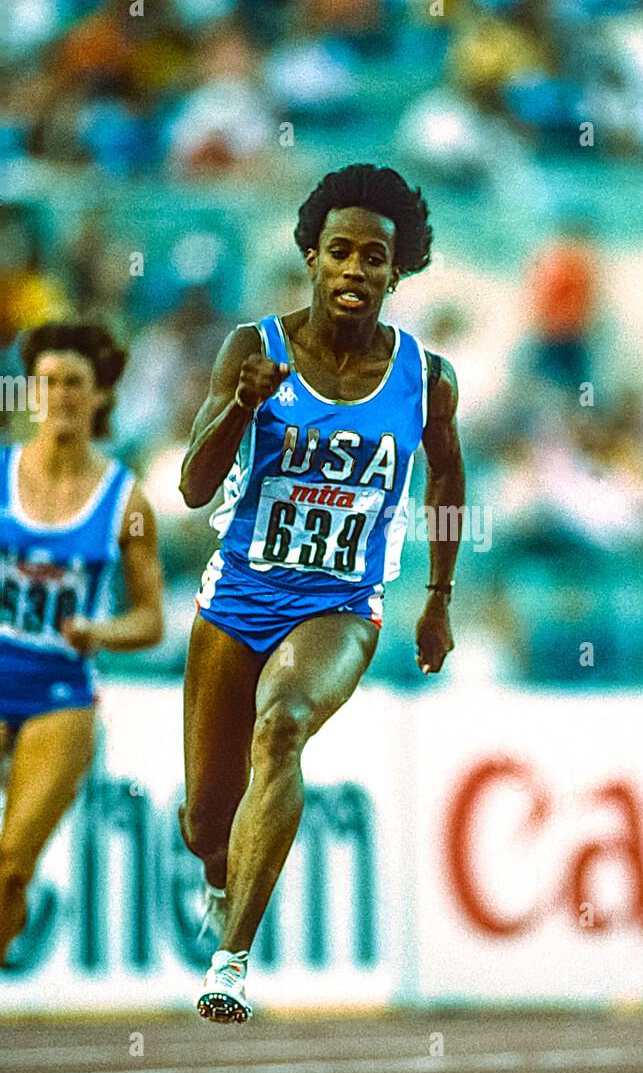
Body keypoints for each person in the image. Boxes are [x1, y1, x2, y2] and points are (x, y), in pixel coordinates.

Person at [178, 163, 464, 1022]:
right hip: (236, 596)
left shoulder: (426, 376)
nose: (354, 271)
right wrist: (239, 405)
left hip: (340, 605)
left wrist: (439, 595)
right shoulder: (252, 347)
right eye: (338, 252)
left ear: (396, 271)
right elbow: (194, 488)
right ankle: (222, 872)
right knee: (205, 822)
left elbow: (448, 482)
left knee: (284, 724)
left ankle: (231, 962)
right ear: (310, 256)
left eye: (374, 259)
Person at [0, 322, 164, 964]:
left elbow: (149, 619)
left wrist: (98, 631)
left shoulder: (125, 498)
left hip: (60, 689)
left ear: (99, 397)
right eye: (48, 382)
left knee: (12, 866)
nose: (60, 395)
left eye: (74, 383)